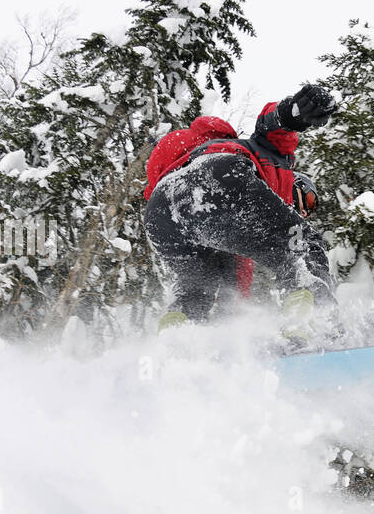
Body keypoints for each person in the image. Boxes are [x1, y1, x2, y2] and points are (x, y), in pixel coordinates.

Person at [142, 84, 338, 333]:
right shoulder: (272, 160)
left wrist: (235, 341)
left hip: (160, 214)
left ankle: (175, 343)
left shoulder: (244, 222)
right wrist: (295, 112)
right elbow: (273, 126)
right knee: (306, 246)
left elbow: (234, 290)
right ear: (295, 182)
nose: (303, 212)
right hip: (217, 176)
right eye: (307, 200)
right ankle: (322, 328)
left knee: (196, 290)